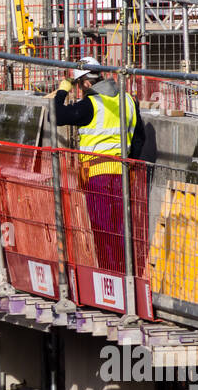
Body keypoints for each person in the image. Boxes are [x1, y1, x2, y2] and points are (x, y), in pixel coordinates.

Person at [50, 56, 144, 275]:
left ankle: (109, 276)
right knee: (123, 230)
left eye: (78, 87)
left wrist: (63, 90)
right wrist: (131, 164)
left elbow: (56, 115)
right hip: (122, 173)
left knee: (103, 231)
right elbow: (140, 137)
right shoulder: (128, 100)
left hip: (97, 175)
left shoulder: (91, 104)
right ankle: (128, 273)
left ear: (85, 83)